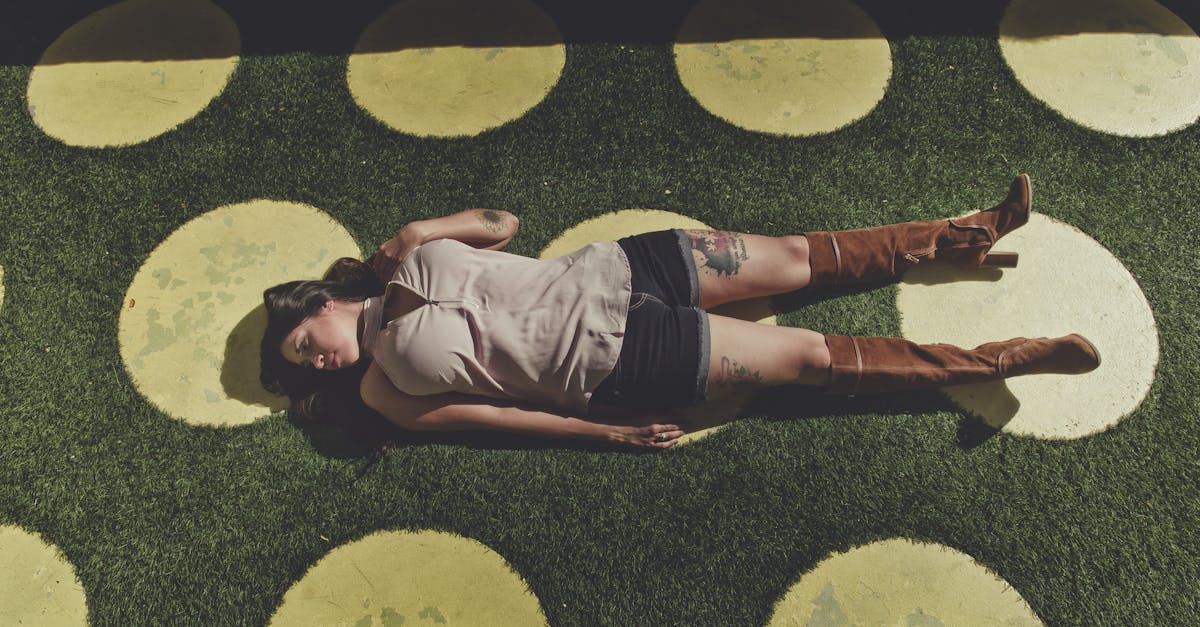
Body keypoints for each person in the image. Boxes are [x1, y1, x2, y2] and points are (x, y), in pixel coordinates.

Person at [259, 175, 1100, 451]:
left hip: (622, 263)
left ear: (321, 302)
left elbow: (504, 227)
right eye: (307, 366)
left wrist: (417, 231)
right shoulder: (381, 389)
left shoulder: (406, 254)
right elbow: (492, 416)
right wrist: (608, 433)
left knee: (798, 256)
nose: (319, 358)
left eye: (306, 342)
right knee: (807, 355)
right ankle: (993, 361)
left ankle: (962, 234)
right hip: (617, 357)